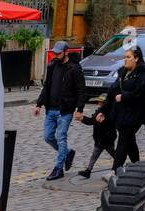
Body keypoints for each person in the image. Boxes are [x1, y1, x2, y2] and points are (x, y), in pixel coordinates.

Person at [33, 40, 85, 181]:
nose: (56, 55)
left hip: (65, 110)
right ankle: (68, 153)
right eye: (55, 53)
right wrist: (39, 104)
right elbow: (46, 87)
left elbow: (81, 90)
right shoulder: (52, 66)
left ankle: (58, 168)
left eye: (58, 53)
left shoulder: (74, 68)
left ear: (66, 52)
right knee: (48, 136)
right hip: (51, 109)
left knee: (61, 138)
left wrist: (79, 109)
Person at [109, 46, 145, 172]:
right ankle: (138, 168)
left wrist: (123, 97)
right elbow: (114, 89)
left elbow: (140, 94)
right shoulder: (123, 72)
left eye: (128, 57)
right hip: (121, 114)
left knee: (123, 142)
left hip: (134, 114)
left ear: (136, 58)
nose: (125, 60)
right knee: (130, 143)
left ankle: (115, 171)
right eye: (125, 57)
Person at [76, 93, 117, 179]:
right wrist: (83, 119)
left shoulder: (109, 113)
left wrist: (104, 122)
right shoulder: (99, 112)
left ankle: (119, 167)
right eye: (98, 102)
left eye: (100, 102)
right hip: (99, 139)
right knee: (94, 156)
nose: (98, 104)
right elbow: (92, 121)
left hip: (107, 140)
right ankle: (88, 171)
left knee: (115, 155)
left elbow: (110, 126)